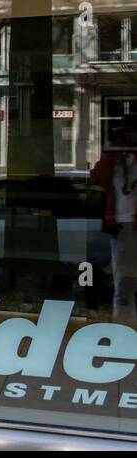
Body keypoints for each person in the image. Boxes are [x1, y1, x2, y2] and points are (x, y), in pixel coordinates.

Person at [90, 117, 137, 325]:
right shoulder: (114, 157)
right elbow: (97, 177)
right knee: (123, 282)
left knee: (127, 282)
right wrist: (112, 154)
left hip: (129, 221)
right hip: (121, 222)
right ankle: (123, 327)